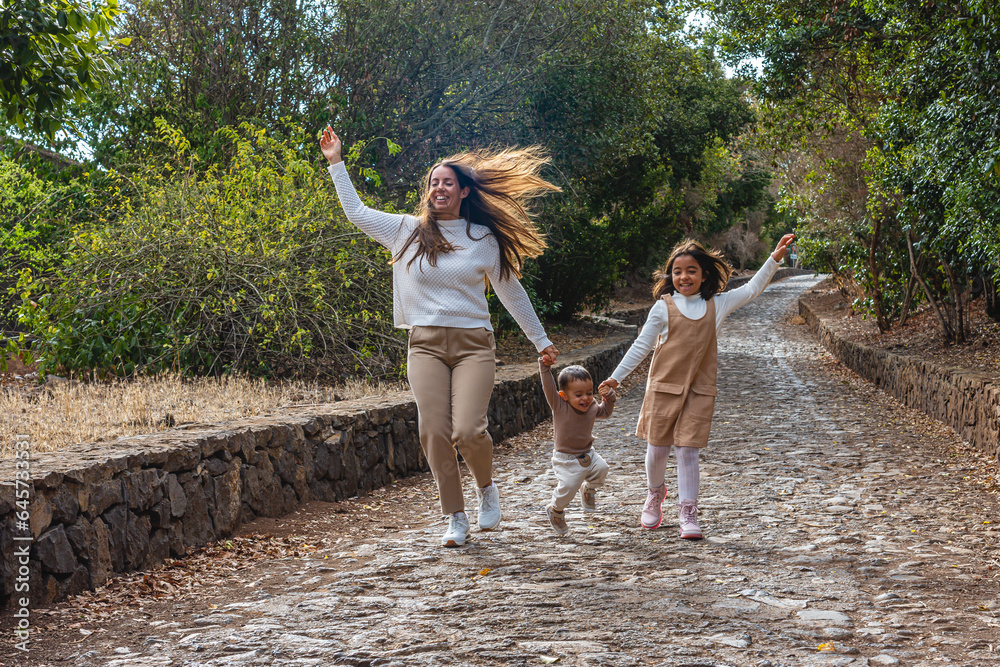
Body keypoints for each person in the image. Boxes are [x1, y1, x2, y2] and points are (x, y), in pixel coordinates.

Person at [319, 127, 560, 547]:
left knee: (467, 431)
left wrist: (540, 341)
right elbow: (356, 212)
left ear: (464, 191)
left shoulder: (482, 239)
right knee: (433, 431)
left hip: (473, 345)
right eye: (433, 182)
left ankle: (486, 488)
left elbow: (510, 290)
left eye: (447, 182)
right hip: (425, 344)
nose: (438, 188)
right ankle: (455, 516)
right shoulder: (406, 230)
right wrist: (336, 162)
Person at [598, 234, 794, 539]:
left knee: (688, 452)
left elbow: (753, 289)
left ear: (704, 274)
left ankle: (688, 512)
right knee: (657, 450)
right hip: (663, 387)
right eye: (677, 271)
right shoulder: (663, 307)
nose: (683, 276)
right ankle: (655, 493)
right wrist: (615, 377)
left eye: (691, 270)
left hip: (699, 390)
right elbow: (641, 346)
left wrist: (774, 259)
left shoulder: (718, 303)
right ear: (670, 275)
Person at [538, 358, 616, 535]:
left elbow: (605, 412)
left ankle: (588, 489)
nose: (586, 398)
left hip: (588, 453)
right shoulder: (559, 405)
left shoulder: (593, 406)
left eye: (589, 393)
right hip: (566, 459)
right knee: (568, 488)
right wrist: (544, 367)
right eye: (579, 394)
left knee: (602, 469)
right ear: (564, 395)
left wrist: (609, 397)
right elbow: (548, 387)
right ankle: (556, 510)